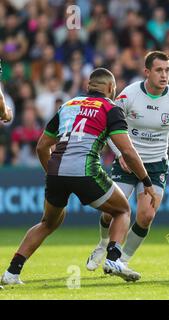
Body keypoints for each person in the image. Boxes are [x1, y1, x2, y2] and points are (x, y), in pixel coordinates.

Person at [1, 68, 157, 285]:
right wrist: (146, 181)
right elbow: (128, 151)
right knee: (122, 210)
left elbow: (41, 147)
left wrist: (55, 175)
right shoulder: (110, 108)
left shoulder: (68, 105)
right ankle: (113, 259)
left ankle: (11, 273)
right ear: (111, 88)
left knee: (47, 223)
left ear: (88, 87)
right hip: (85, 169)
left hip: (56, 169)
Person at [86, 51, 169, 273]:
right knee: (110, 211)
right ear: (147, 72)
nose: (164, 75)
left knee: (147, 215)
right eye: (159, 70)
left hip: (155, 165)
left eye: (168, 70)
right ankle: (103, 244)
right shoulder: (128, 95)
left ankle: (121, 261)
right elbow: (108, 127)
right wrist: (121, 154)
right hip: (126, 162)